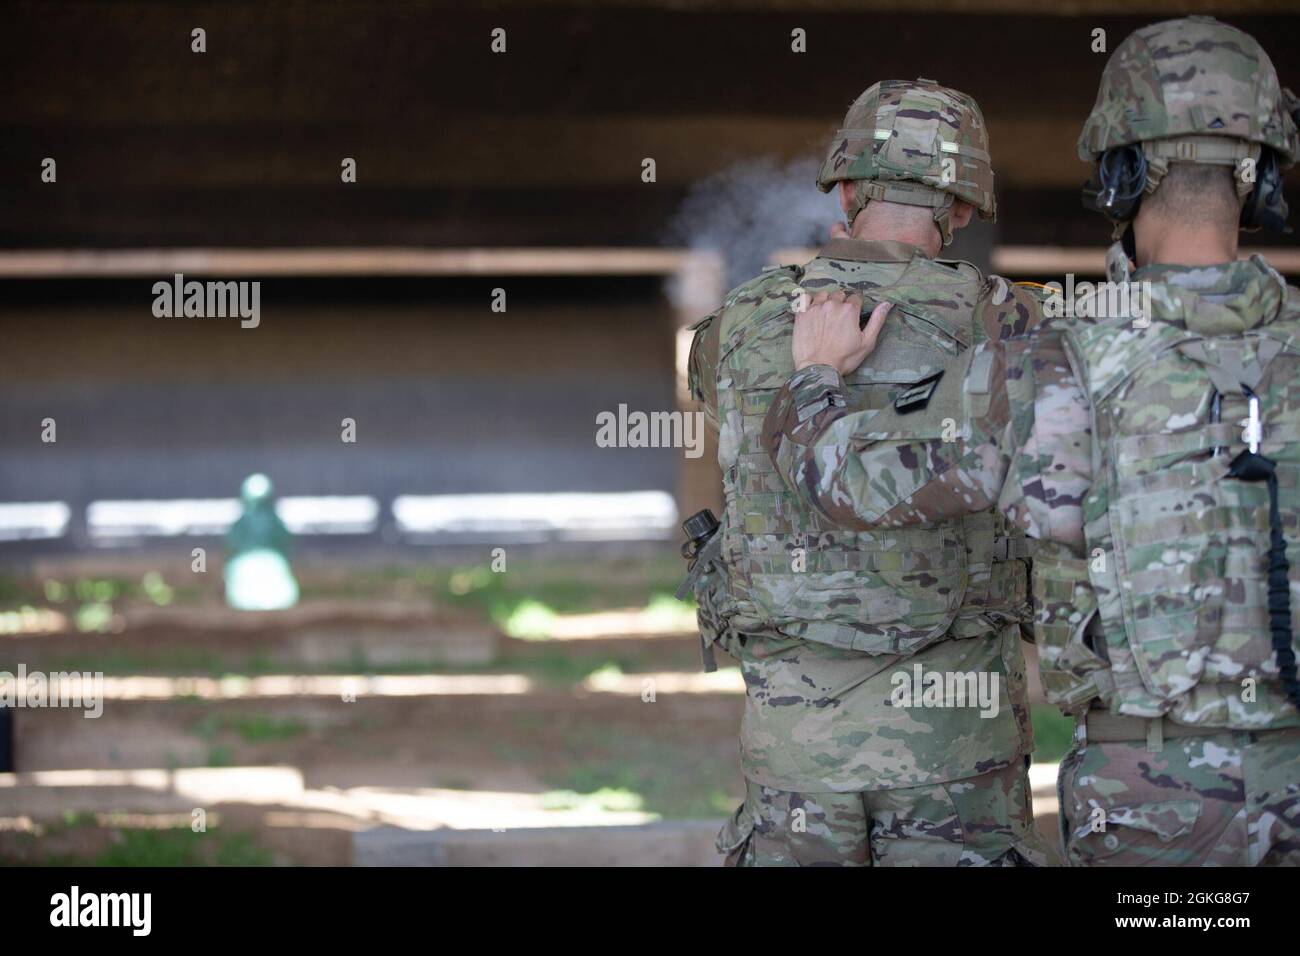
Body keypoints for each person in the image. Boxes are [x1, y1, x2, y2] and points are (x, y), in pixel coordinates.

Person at [765, 17, 1300, 865]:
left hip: (1150, 797)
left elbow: (850, 485)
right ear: (1265, 172)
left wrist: (816, 379)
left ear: (1119, 171)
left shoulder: (1056, 356)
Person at [686, 78, 1047, 866]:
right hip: (956, 749)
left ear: (845, 188)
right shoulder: (1020, 325)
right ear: (962, 206)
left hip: (796, 753)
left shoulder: (739, 327)